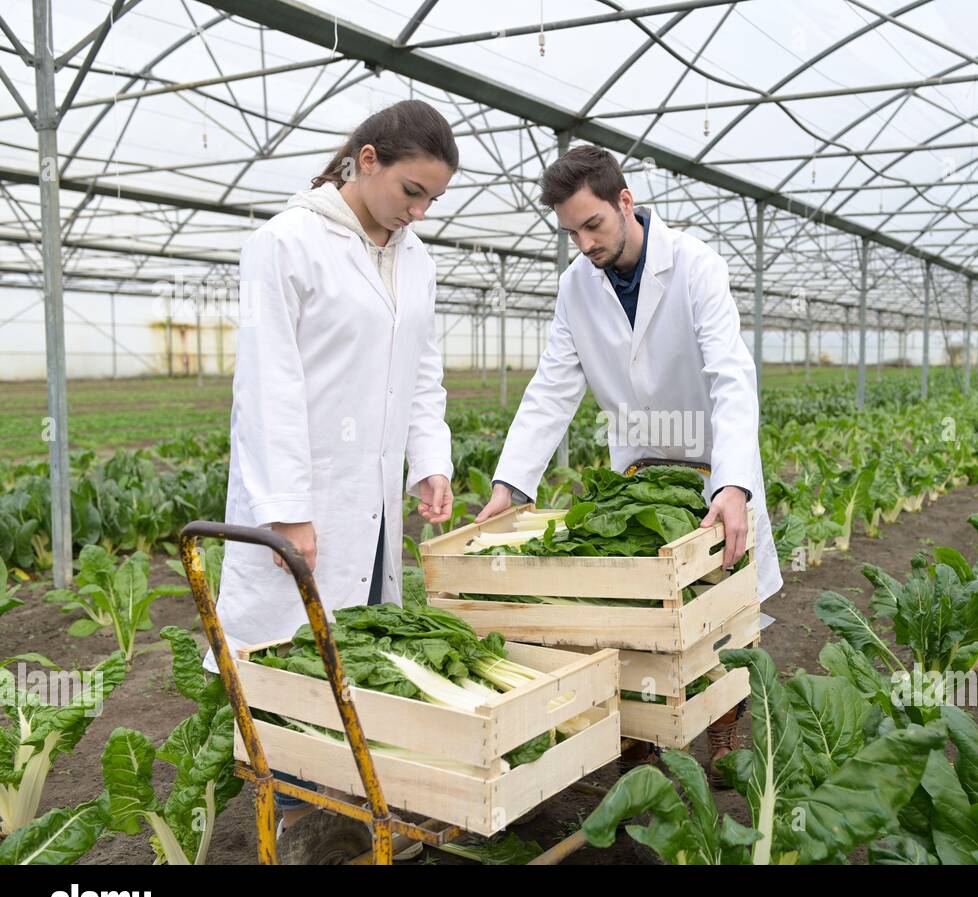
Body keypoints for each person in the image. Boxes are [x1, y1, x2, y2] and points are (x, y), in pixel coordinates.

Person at [476, 145, 781, 782]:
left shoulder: (695, 265)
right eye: (571, 233)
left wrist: (732, 484)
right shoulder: (575, 288)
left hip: (707, 464)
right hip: (639, 475)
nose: (585, 243)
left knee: (720, 609)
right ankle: (639, 737)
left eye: (594, 225)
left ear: (625, 202)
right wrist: (511, 482)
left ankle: (724, 730)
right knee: (635, 614)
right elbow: (552, 388)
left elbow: (731, 377)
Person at [212, 100, 458, 848]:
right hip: (304, 496)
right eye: (411, 191)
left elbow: (423, 374)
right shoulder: (288, 243)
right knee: (289, 662)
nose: (418, 212)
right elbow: (268, 385)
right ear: (368, 161)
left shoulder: (416, 260)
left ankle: (346, 798)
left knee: (352, 649)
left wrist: (431, 460)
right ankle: (291, 814)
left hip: (373, 503)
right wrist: (287, 508)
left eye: (433, 201)